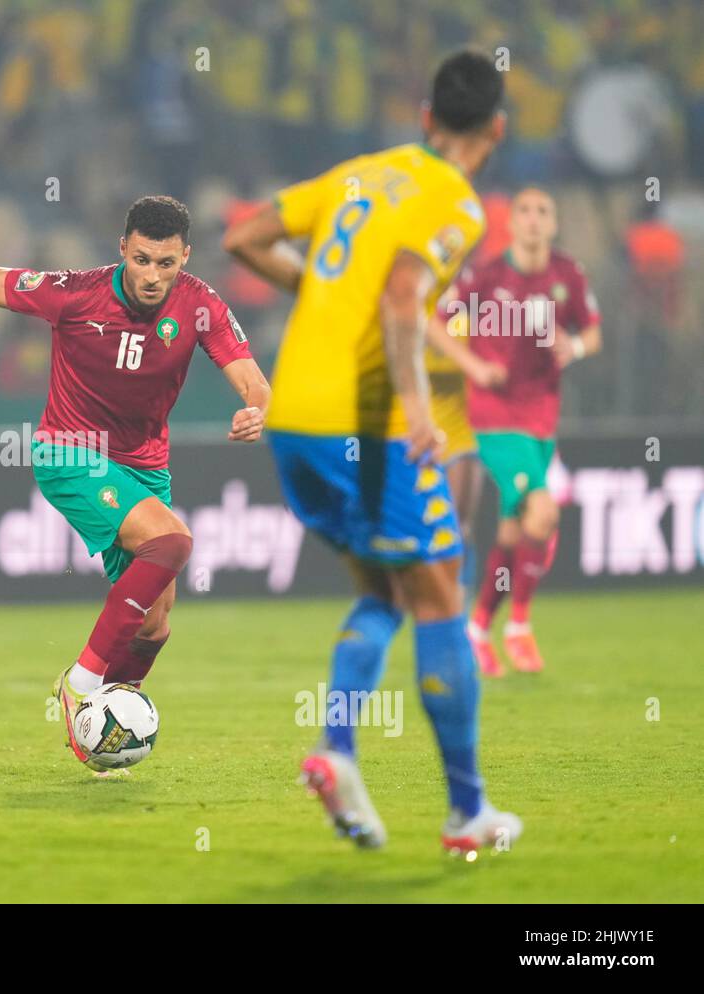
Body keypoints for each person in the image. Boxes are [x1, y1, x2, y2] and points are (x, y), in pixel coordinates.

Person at [224, 49, 522, 853]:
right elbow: (400, 295)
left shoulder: (358, 172)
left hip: (290, 414)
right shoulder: (457, 204)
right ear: (495, 129)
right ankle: (468, 814)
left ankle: (338, 753)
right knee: (439, 594)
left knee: (383, 593)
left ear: (426, 118)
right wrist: (419, 407)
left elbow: (244, 236)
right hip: (366, 423)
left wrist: (321, 297)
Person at [0, 196, 270, 774]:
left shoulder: (202, 305)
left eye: (167, 263)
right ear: (122, 250)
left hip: (144, 470)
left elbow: (253, 383)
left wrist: (255, 411)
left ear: (185, 257)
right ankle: (81, 685)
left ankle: (101, 736)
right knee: (174, 543)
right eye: (142, 260)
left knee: (155, 621)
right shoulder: (75, 291)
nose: (154, 276)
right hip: (69, 452)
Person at [434, 188, 601, 675]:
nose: (532, 219)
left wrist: (575, 348)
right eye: (524, 211)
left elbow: (593, 332)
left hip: (541, 416)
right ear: (512, 223)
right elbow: (435, 323)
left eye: (542, 211)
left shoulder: (568, 275)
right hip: (493, 414)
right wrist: (473, 365)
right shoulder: (486, 275)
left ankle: (479, 626)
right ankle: (519, 625)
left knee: (515, 528)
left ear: (553, 223)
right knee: (543, 512)